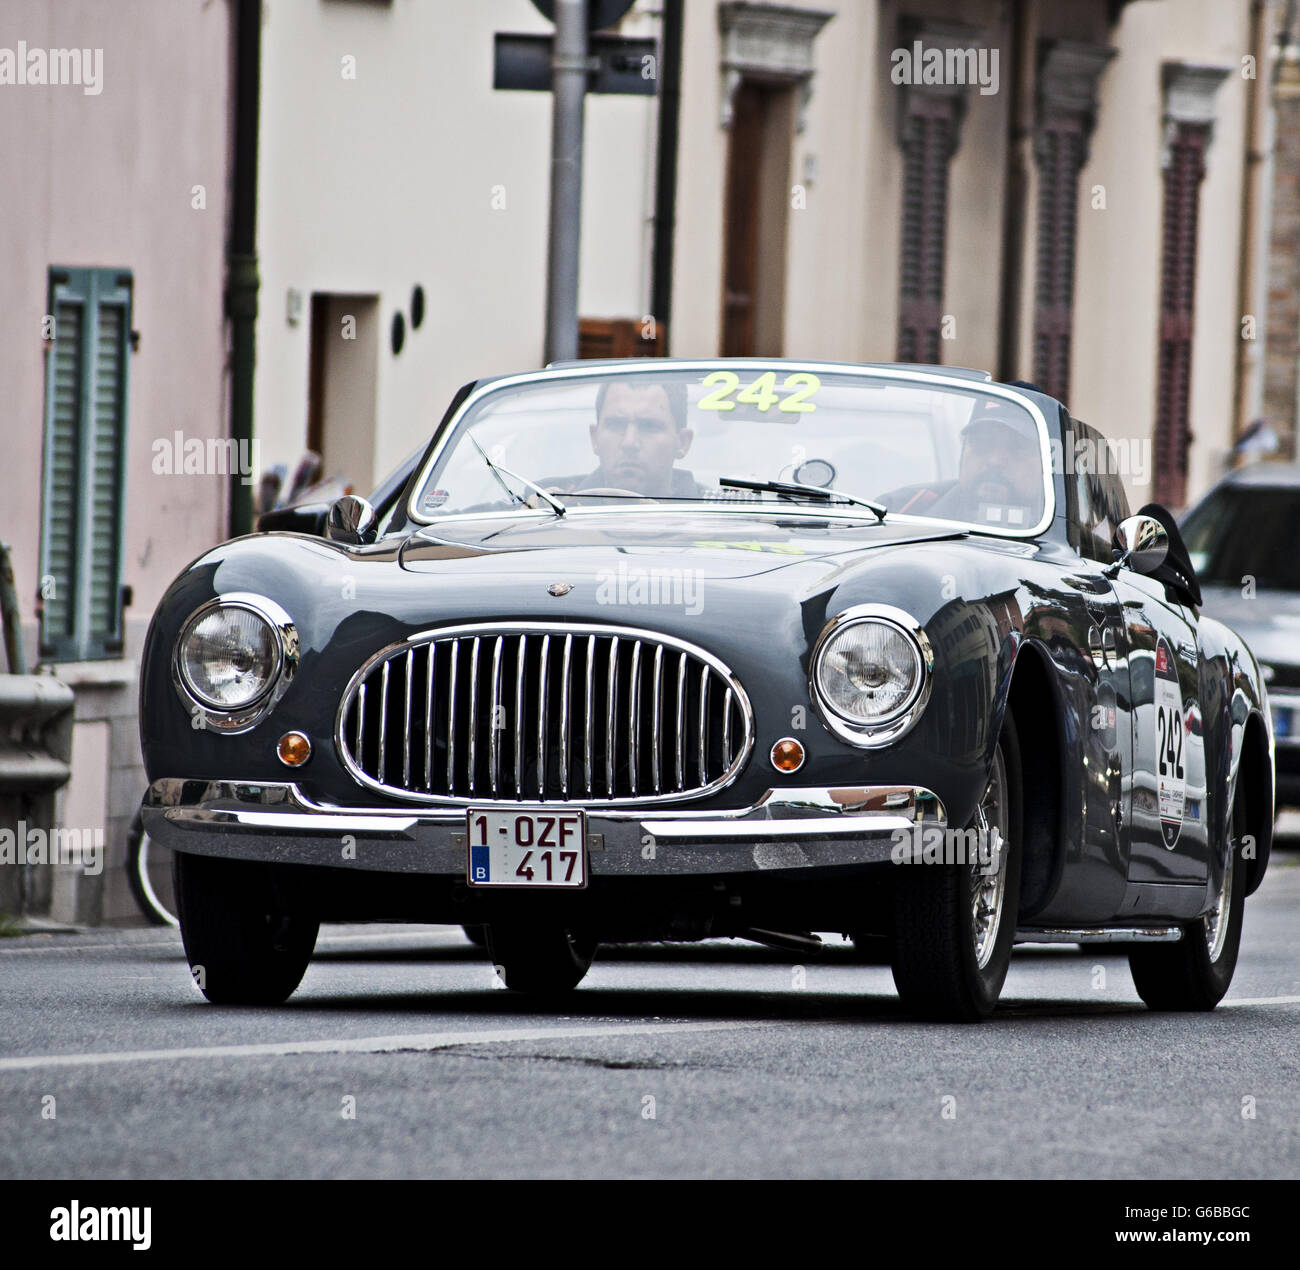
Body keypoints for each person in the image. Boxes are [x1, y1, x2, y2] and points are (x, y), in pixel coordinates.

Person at [545, 379, 701, 498]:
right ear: (595, 437)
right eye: (616, 425)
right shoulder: (546, 505)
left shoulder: (719, 512)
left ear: (683, 442)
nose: (629, 442)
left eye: (648, 426)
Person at [896, 405, 1044, 527]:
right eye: (981, 442)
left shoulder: (1064, 535)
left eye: (1017, 447)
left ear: (1047, 462)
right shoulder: (903, 510)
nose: (995, 461)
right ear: (963, 450)